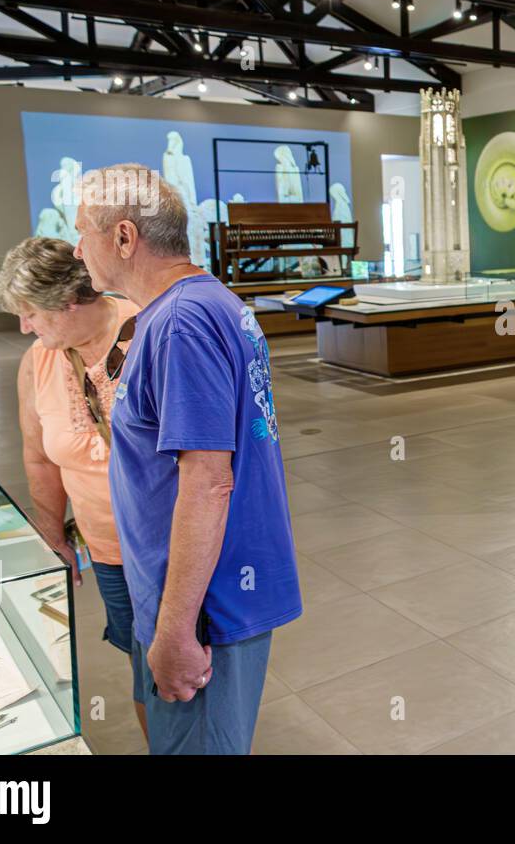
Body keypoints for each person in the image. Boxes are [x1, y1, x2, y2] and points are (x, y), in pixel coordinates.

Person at [73, 163, 302, 755]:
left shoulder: (180, 323)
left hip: (205, 607)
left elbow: (208, 482)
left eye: (82, 233)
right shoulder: (202, 303)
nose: (77, 250)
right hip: (200, 594)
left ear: (124, 237)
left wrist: (176, 628)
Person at [0, 237, 146, 738]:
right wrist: (53, 534)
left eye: (30, 313)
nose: (25, 327)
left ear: (68, 302)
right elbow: (39, 456)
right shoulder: (40, 360)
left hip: (173, 547)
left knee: (189, 665)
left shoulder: (151, 332)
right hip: (107, 548)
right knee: (143, 666)